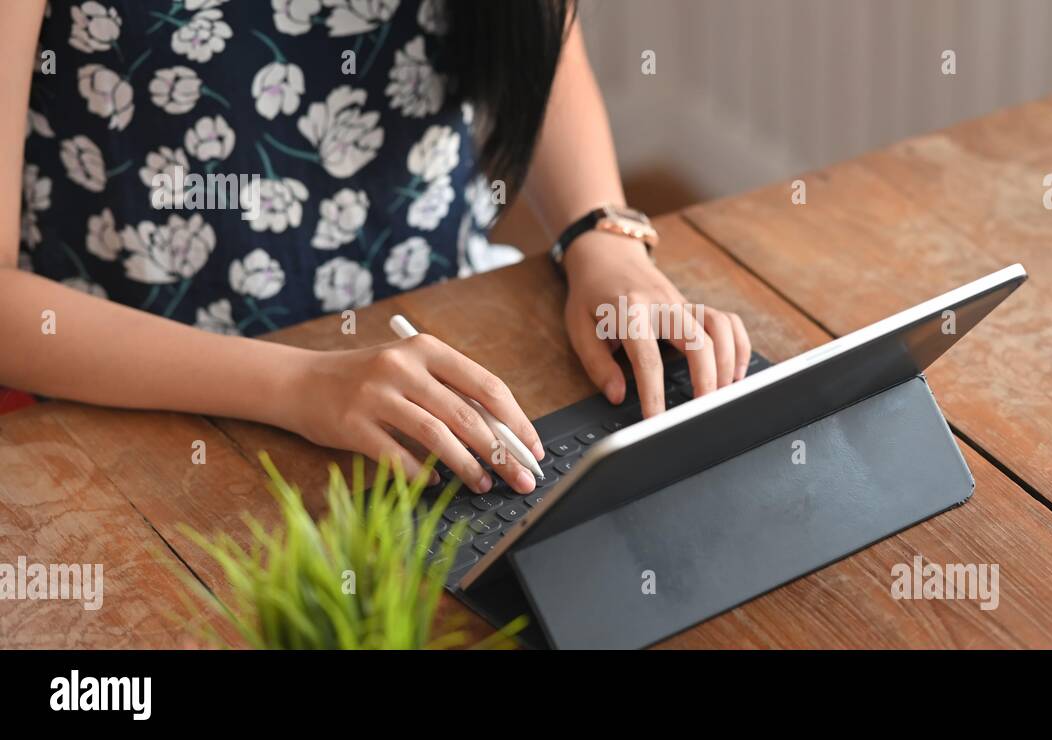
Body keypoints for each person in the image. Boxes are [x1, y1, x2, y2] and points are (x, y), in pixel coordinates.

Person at [0, 0, 751, 496]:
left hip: (444, 357)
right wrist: (300, 386)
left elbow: (536, 40)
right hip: (146, 402)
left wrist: (602, 237)